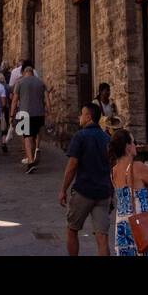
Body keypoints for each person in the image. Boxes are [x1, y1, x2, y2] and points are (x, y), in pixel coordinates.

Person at [59, 103, 112, 257]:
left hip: (83, 191)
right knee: (102, 237)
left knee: (72, 229)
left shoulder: (80, 136)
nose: (79, 117)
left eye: (81, 114)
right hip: (103, 193)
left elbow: (72, 166)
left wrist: (63, 189)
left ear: (88, 117)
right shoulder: (106, 138)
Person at [110, 128, 148, 256]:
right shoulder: (137, 167)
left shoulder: (113, 171)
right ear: (127, 147)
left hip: (123, 228)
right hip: (142, 226)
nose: (136, 145)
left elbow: (133, 182)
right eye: (134, 142)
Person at [10, 61, 48, 172]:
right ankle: (37, 148)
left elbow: (14, 100)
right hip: (39, 113)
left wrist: (12, 115)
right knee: (36, 134)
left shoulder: (20, 82)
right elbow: (46, 98)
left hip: (24, 113)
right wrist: (48, 111)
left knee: (27, 137)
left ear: (23, 72)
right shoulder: (41, 82)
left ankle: (30, 161)